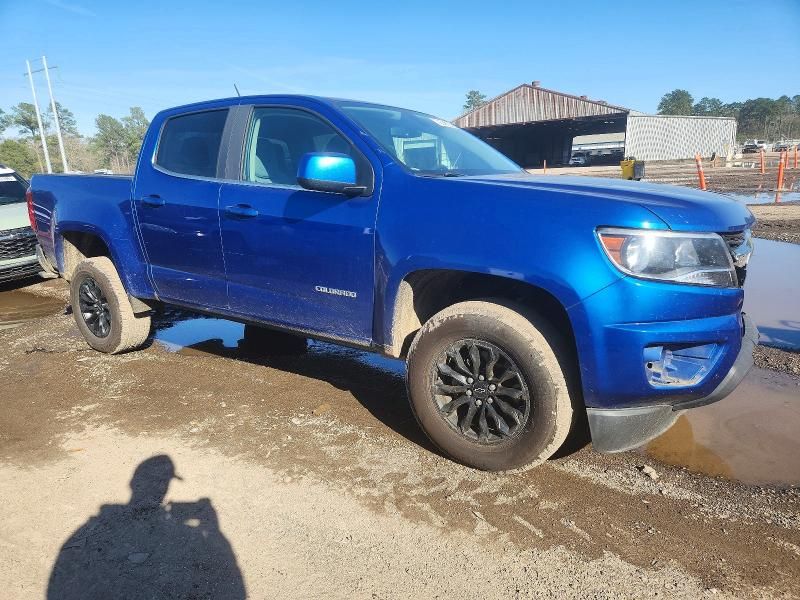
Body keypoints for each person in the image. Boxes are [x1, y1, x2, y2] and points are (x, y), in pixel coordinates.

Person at [47, 455, 246, 599]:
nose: (163, 488)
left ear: (133, 483)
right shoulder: (93, 530)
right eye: (161, 482)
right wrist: (211, 526)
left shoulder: (88, 529)